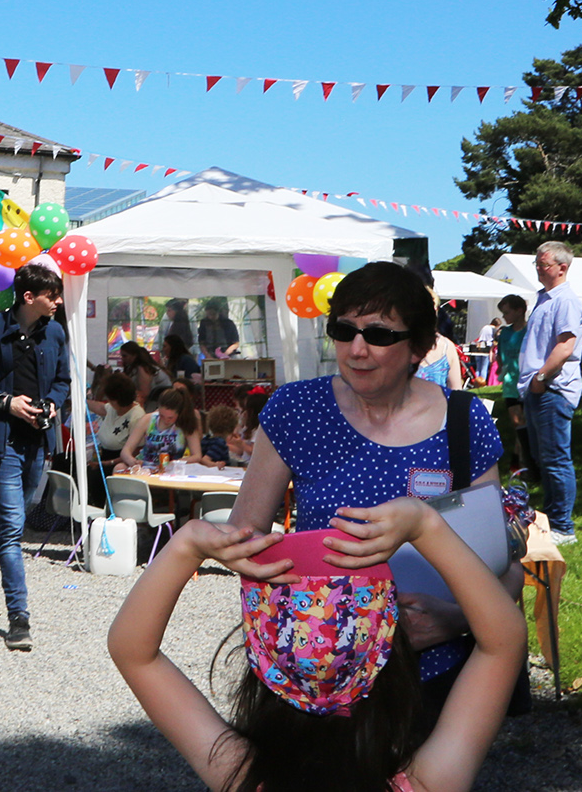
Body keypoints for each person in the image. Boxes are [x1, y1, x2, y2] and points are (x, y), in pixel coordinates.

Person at [228, 260, 517, 727]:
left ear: (420, 347)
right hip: (321, 670)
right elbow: (244, 536)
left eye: (380, 335)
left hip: (432, 673)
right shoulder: (296, 409)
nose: (357, 350)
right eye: (343, 331)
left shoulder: (463, 421)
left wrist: (454, 619)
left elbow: (505, 567)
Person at [108, 508, 522, 792]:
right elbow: (503, 643)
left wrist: (187, 544)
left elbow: (134, 652)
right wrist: (426, 524)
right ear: (394, 670)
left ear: (262, 674)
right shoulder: (429, 783)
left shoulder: (242, 777)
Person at [0, 257, 72, 651]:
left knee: (9, 523)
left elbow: (62, 380)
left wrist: (54, 404)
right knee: (12, 529)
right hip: (3, 441)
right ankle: (19, 618)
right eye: (51, 295)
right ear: (28, 296)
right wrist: (5, 401)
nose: (57, 301)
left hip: (37, 442)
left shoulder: (54, 333)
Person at [517, 242, 582, 543]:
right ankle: (552, 519)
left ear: (562, 267)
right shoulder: (543, 299)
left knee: (556, 459)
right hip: (538, 388)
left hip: (552, 389)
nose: (538, 268)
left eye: (543, 264)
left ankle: (563, 528)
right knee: (544, 459)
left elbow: (565, 345)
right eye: (537, 263)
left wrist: (542, 377)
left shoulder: (565, 300)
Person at [492, 296, 531, 472]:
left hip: (528, 384)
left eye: (507, 312)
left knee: (526, 425)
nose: (505, 316)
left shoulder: (530, 331)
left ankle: (522, 461)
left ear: (519, 311)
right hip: (510, 384)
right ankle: (522, 461)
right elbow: (500, 356)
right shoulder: (505, 333)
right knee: (518, 424)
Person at [119, 385, 199, 470]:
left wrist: (177, 462)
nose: (165, 420)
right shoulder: (148, 419)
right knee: (119, 467)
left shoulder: (186, 423)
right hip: (145, 466)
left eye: (170, 418)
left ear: (179, 413)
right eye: (162, 415)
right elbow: (126, 450)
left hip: (171, 469)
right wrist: (132, 461)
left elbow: (197, 456)